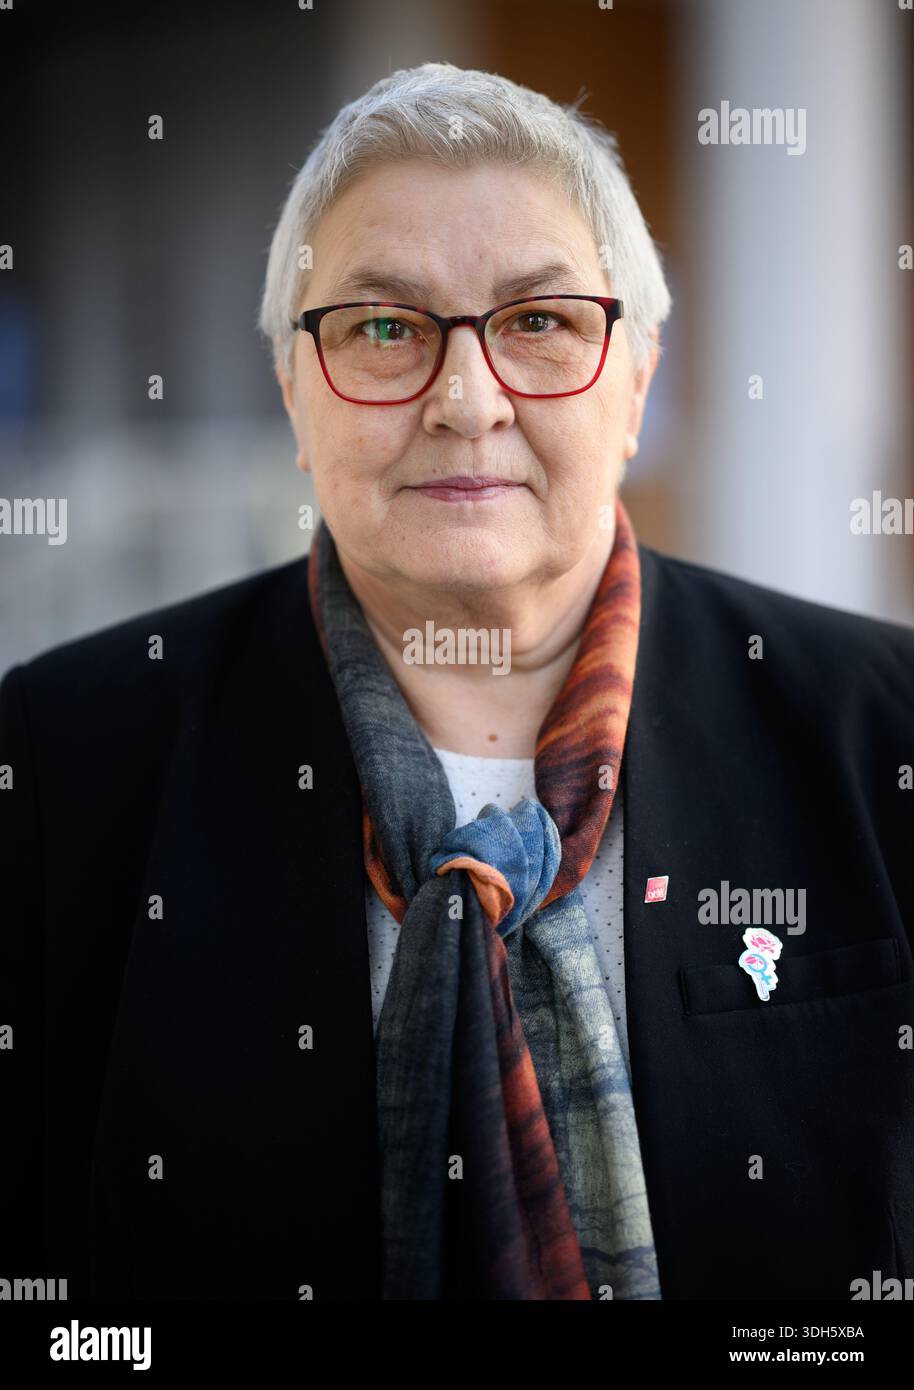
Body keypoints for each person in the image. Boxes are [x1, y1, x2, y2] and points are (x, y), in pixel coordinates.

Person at [1, 61, 912, 1303]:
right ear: (291, 387)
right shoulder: (62, 762)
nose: (465, 400)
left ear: (636, 378)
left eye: (538, 321)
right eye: (384, 327)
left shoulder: (880, 730)